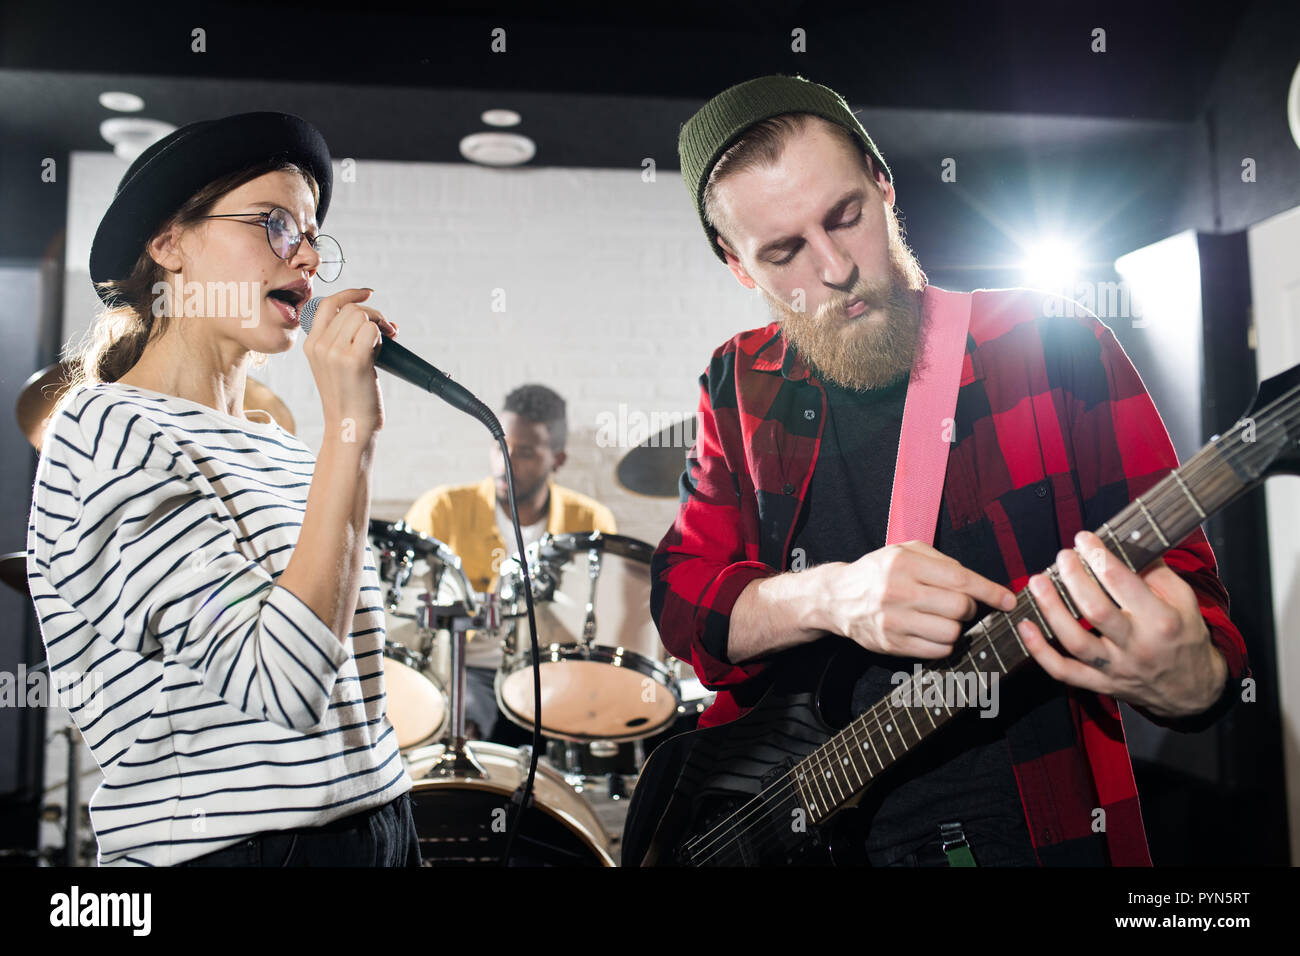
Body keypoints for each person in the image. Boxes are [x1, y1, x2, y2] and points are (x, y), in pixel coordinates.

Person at [651, 75, 1249, 866]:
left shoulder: (1054, 342)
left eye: (846, 216)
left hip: (1028, 831)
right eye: (784, 252)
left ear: (883, 184)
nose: (834, 268)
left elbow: (1192, 614)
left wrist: (1189, 678)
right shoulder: (738, 380)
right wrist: (833, 597)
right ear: (738, 266)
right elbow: (684, 603)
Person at [26, 112, 419, 866]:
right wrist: (352, 434)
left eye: (312, 236)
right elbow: (282, 684)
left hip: (383, 823)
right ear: (169, 243)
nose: (309, 257)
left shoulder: (282, 450)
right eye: (275, 224)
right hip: (241, 850)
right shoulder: (109, 430)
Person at [404, 383, 617, 743]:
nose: (505, 462)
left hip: (553, 674)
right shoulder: (440, 510)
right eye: (498, 445)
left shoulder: (591, 521)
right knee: (461, 728)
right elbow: (406, 614)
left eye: (526, 453)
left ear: (558, 460)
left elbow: (604, 621)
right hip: (467, 671)